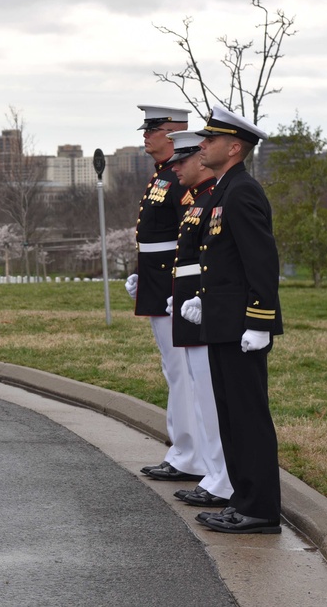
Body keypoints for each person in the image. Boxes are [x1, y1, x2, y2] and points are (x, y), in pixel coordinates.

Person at [180, 106, 283, 534]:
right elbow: (224, 263)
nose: (202, 144)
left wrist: (260, 322)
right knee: (231, 418)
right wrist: (207, 301)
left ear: (234, 147)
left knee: (247, 417)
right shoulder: (224, 190)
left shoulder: (241, 191)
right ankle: (243, 502)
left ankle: (260, 509)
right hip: (224, 323)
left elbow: (261, 262)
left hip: (243, 328)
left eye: (211, 139)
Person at [126, 105, 207, 483]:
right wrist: (141, 271)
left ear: (175, 131)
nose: (146, 135)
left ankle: (190, 455)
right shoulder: (164, 176)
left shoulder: (181, 178)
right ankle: (182, 450)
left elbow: (189, 237)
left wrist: (181, 284)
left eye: (154, 128)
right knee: (174, 370)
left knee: (182, 373)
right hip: (158, 279)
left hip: (173, 283)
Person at [163, 130, 232, 510]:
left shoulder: (209, 200)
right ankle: (214, 473)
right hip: (191, 304)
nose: (177, 167)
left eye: (183, 160)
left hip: (203, 307)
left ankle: (221, 476)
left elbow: (214, 260)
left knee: (209, 397)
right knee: (201, 394)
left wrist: (201, 297)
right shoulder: (198, 202)